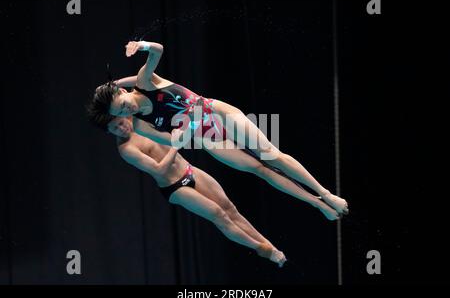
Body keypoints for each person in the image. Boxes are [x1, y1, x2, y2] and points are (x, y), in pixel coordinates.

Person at [88, 40, 349, 217]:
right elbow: (173, 140)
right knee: (262, 171)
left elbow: (158, 50)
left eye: (123, 104)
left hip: (218, 114)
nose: (126, 111)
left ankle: (326, 194)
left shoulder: (145, 81)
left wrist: (141, 45)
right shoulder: (142, 126)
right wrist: (182, 137)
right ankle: (318, 205)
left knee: (272, 156)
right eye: (120, 113)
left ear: (123, 92)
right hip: (208, 139)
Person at [99, 114, 287, 267]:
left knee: (230, 208)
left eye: (121, 123)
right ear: (109, 132)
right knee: (217, 213)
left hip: (189, 170)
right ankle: (259, 247)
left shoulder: (140, 119)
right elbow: (159, 169)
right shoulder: (127, 149)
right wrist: (176, 146)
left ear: (124, 116)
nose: (122, 129)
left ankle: (272, 249)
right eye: (115, 129)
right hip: (174, 187)